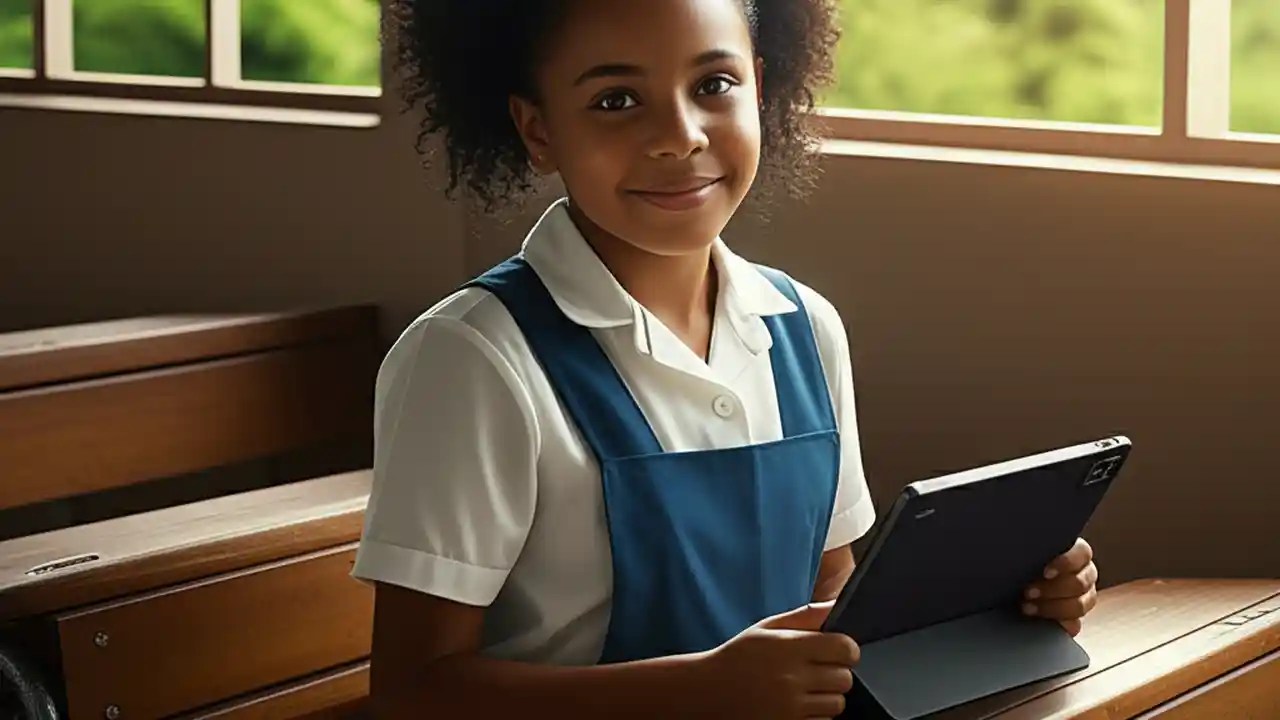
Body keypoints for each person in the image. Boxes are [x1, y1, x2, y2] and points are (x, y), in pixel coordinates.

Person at [351, 0, 1101, 717]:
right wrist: (691, 694)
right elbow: (415, 691)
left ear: (761, 87)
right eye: (616, 100)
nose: (679, 136)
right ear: (537, 129)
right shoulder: (473, 358)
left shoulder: (806, 328)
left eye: (713, 85)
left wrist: (998, 605)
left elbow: (830, 609)